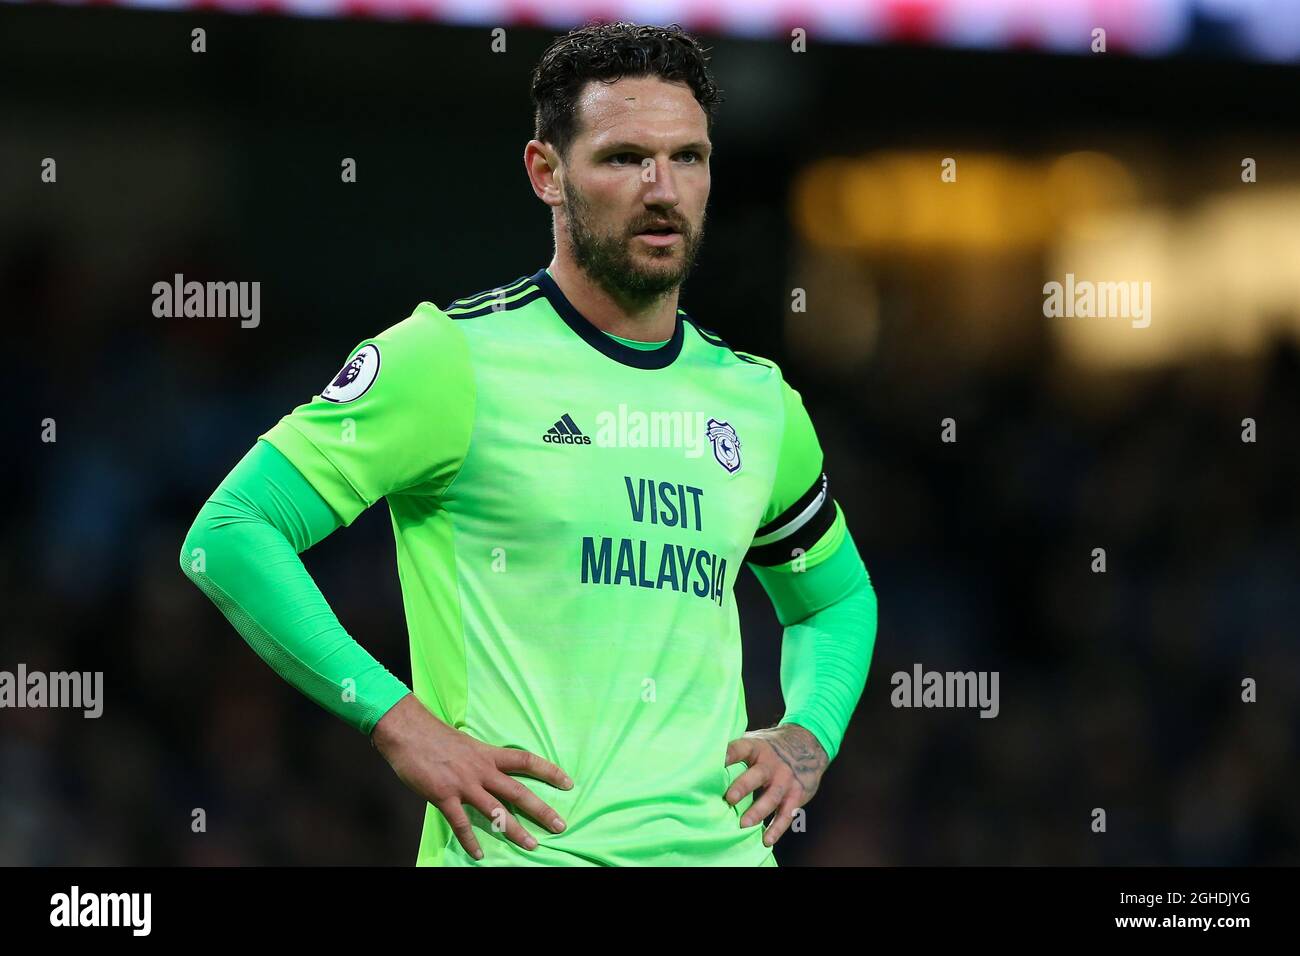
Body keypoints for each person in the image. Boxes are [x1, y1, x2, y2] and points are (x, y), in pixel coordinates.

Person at [180, 21, 877, 866]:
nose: (663, 188)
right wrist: (397, 721)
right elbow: (232, 533)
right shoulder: (449, 360)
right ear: (547, 173)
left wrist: (810, 733)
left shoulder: (757, 400)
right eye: (624, 158)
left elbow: (833, 599)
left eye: (687, 157)